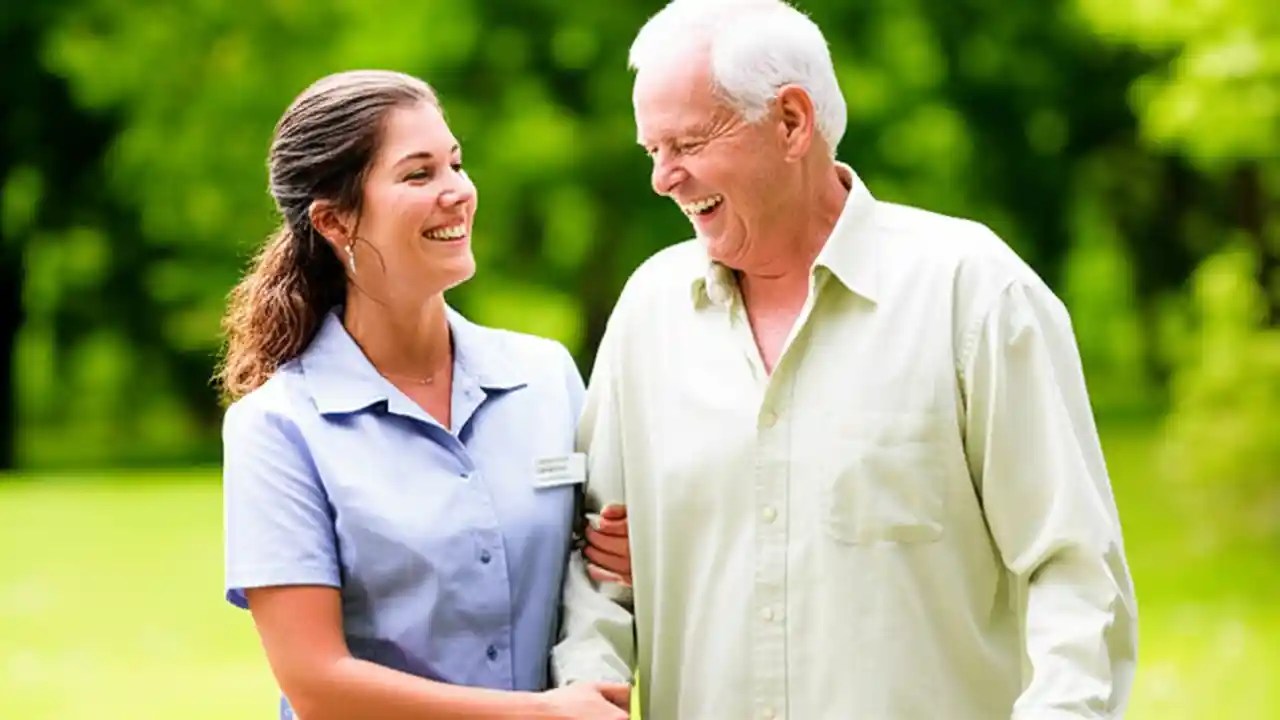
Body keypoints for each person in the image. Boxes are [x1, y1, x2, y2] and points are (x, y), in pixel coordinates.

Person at [552, 1, 1139, 718]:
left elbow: (1075, 571)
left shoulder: (973, 291)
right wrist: (590, 685)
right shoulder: (650, 314)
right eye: (653, 150)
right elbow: (598, 573)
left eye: (688, 143)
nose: (663, 178)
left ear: (791, 122)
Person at [217, 70, 630, 720]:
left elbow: (598, 573)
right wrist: (539, 715)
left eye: (456, 164)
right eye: (418, 174)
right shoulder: (276, 427)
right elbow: (317, 683)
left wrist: (634, 549)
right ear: (334, 220)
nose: (458, 192)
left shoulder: (546, 377)